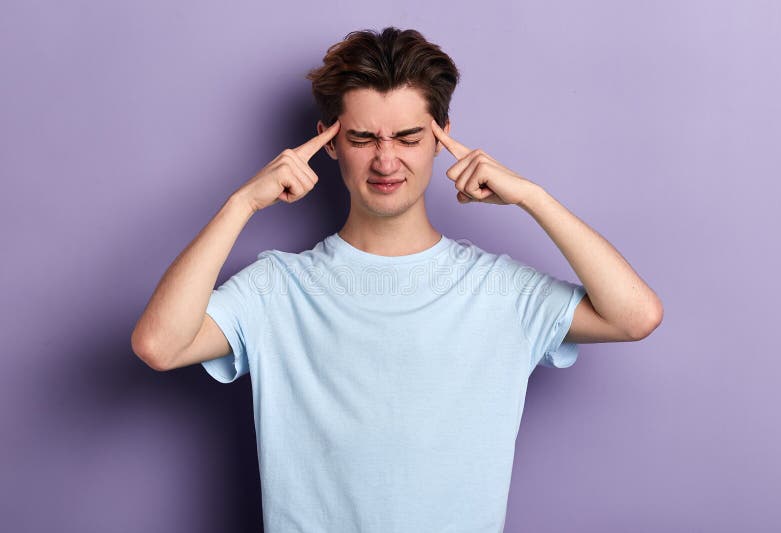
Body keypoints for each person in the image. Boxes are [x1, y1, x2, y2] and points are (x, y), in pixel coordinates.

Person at [132, 26, 662, 533]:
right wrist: (242, 203)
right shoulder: (277, 287)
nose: (386, 161)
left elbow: (635, 316)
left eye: (408, 137)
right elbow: (159, 344)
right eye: (363, 138)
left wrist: (532, 197)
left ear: (441, 137)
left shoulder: (498, 289)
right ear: (329, 142)